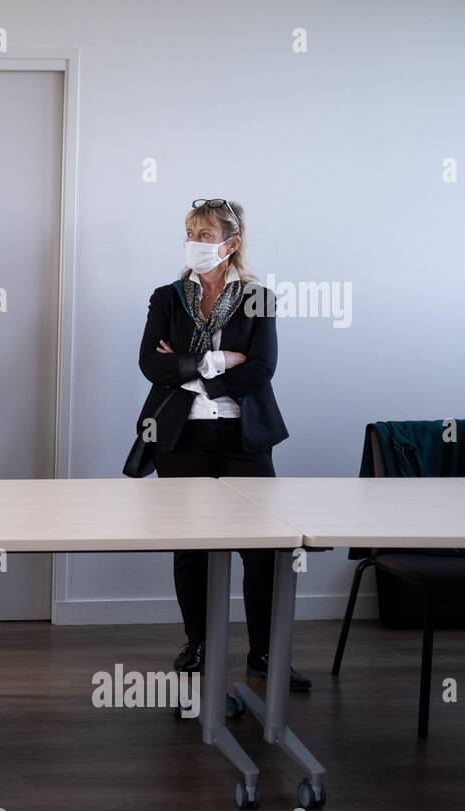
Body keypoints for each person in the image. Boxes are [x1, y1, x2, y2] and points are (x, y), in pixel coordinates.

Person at [135, 199, 310, 691]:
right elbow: (151, 365)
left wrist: (191, 366)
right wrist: (220, 359)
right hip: (182, 437)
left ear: (231, 243)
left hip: (243, 438)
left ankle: (264, 654)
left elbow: (261, 369)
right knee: (192, 549)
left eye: (206, 234)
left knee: (260, 551)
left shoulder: (258, 297)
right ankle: (199, 644)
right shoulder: (167, 296)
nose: (195, 241)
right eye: (190, 231)